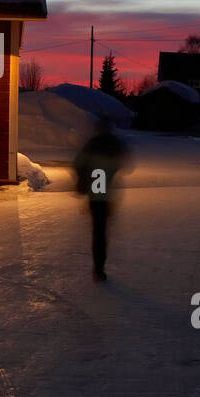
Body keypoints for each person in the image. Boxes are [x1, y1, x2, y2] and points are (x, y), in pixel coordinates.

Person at [73, 115, 128, 281]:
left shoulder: (92, 145)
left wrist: (83, 178)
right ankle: (99, 268)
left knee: (98, 230)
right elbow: (123, 163)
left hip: (97, 190)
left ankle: (98, 268)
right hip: (106, 190)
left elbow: (79, 163)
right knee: (101, 231)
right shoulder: (114, 145)